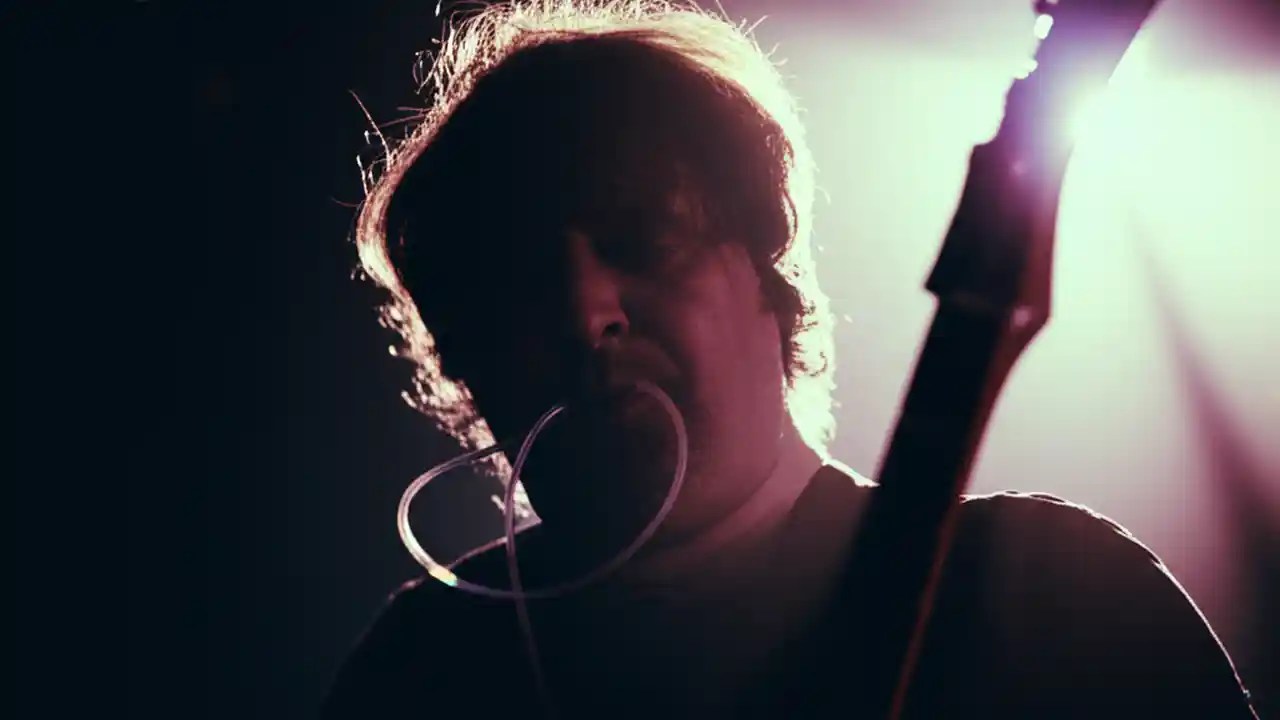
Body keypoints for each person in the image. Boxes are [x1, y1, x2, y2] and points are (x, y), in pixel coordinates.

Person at [323, 2, 1258, 717]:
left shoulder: (1056, 598)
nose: (585, 313)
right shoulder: (419, 670)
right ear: (462, 357)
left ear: (774, 282)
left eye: (642, 241)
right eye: (515, 280)